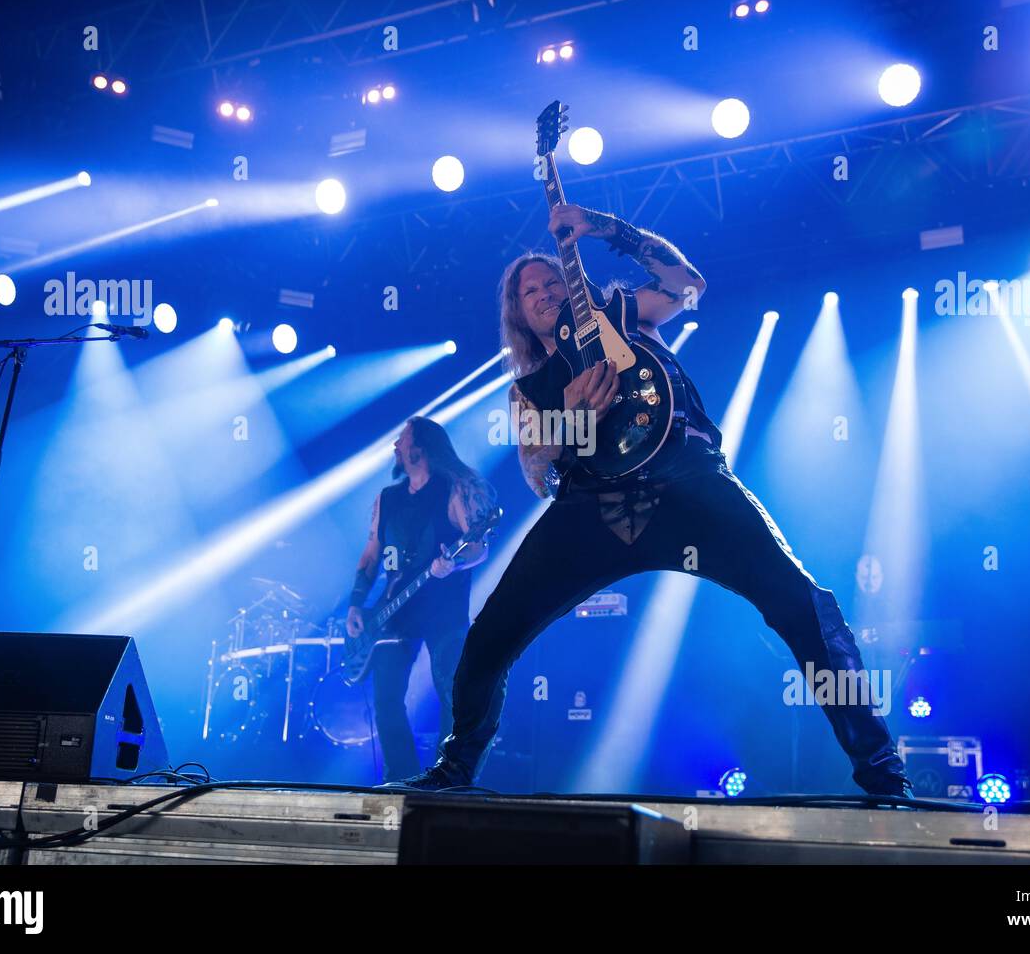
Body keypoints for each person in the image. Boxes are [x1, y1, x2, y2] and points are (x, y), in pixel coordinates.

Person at [385, 204, 912, 797]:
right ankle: (456, 770)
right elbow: (536, 471)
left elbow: (688, 286)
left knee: (805, 605)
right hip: (594, 507)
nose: (544, 292)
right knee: (489, 636)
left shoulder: (620, 314)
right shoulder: (528, 389)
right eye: (529, 290)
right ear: (518, 312)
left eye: (553, 279)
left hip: (689, 483)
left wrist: (607, 227)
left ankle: (883, 772)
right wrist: (576, 419)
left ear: (574, 280)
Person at [347, 417, 496, 783]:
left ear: (420, 446)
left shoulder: (456, 488)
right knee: (385, 701)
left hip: (443, 607)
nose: (395, 446)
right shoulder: (388, 498)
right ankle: (402, 779)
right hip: (393, 610)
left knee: (451, 691)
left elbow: (478, 545)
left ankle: (449, 778)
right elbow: (371, 554)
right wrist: (356, 601)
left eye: (401, 439)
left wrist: (455, 562)